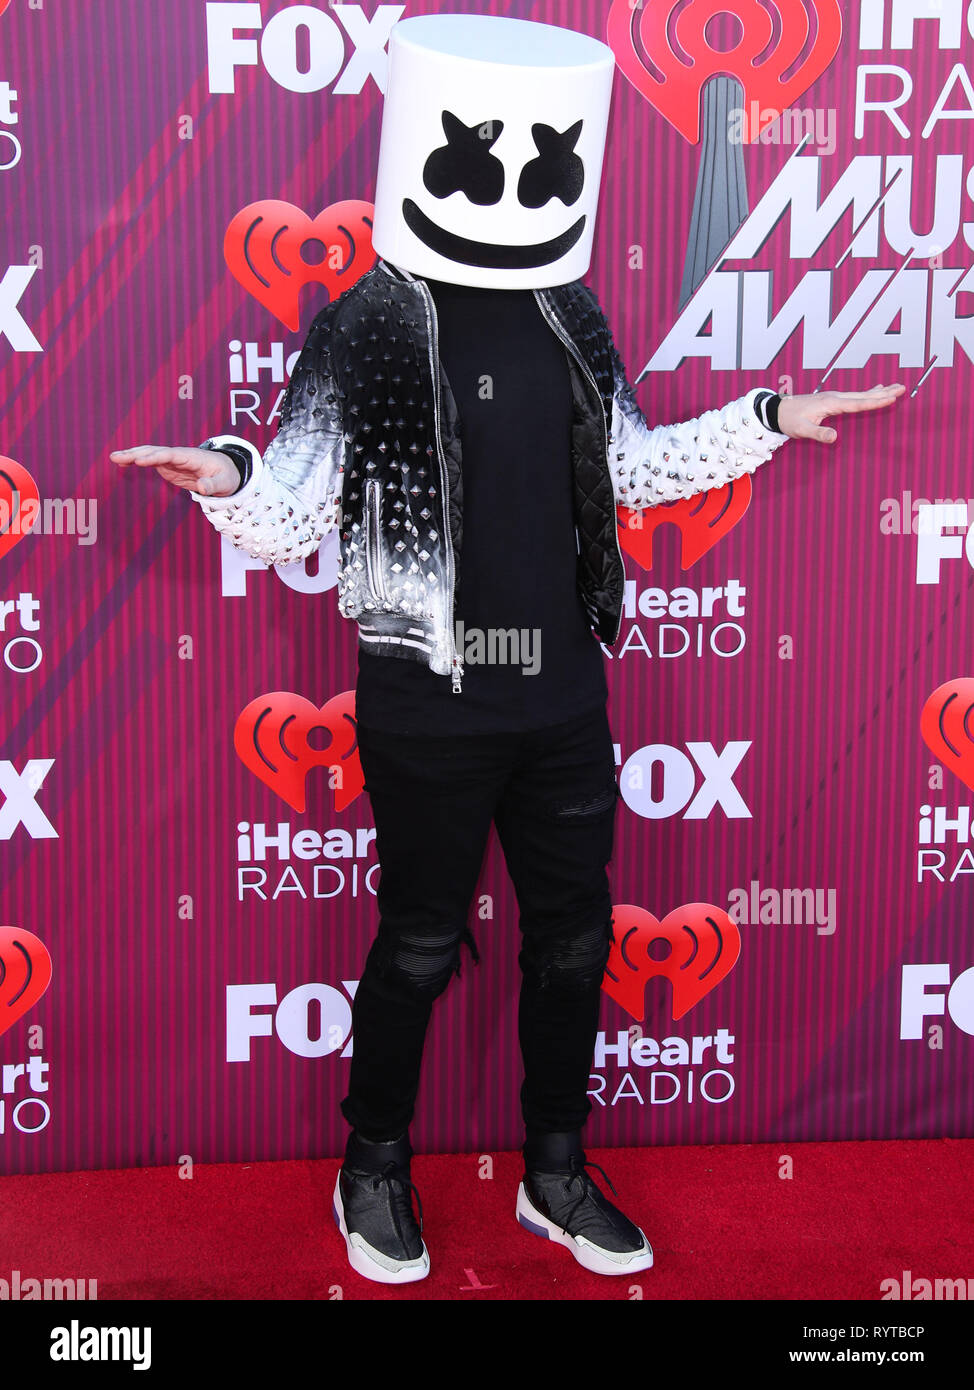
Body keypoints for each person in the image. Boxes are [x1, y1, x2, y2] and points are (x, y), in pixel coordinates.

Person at [112, 13, 905, 1286]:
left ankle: (551, 1173)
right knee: (420, 940)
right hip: (422, 702)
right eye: (483, 156)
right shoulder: (368, 319)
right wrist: (221, 472)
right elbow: (298, 498)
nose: (511, 185)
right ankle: (370, 1166)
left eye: (539, 161)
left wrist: (769, 415)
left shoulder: (568, 313)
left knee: (574, 941)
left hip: (559, 698)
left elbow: (632, 469)